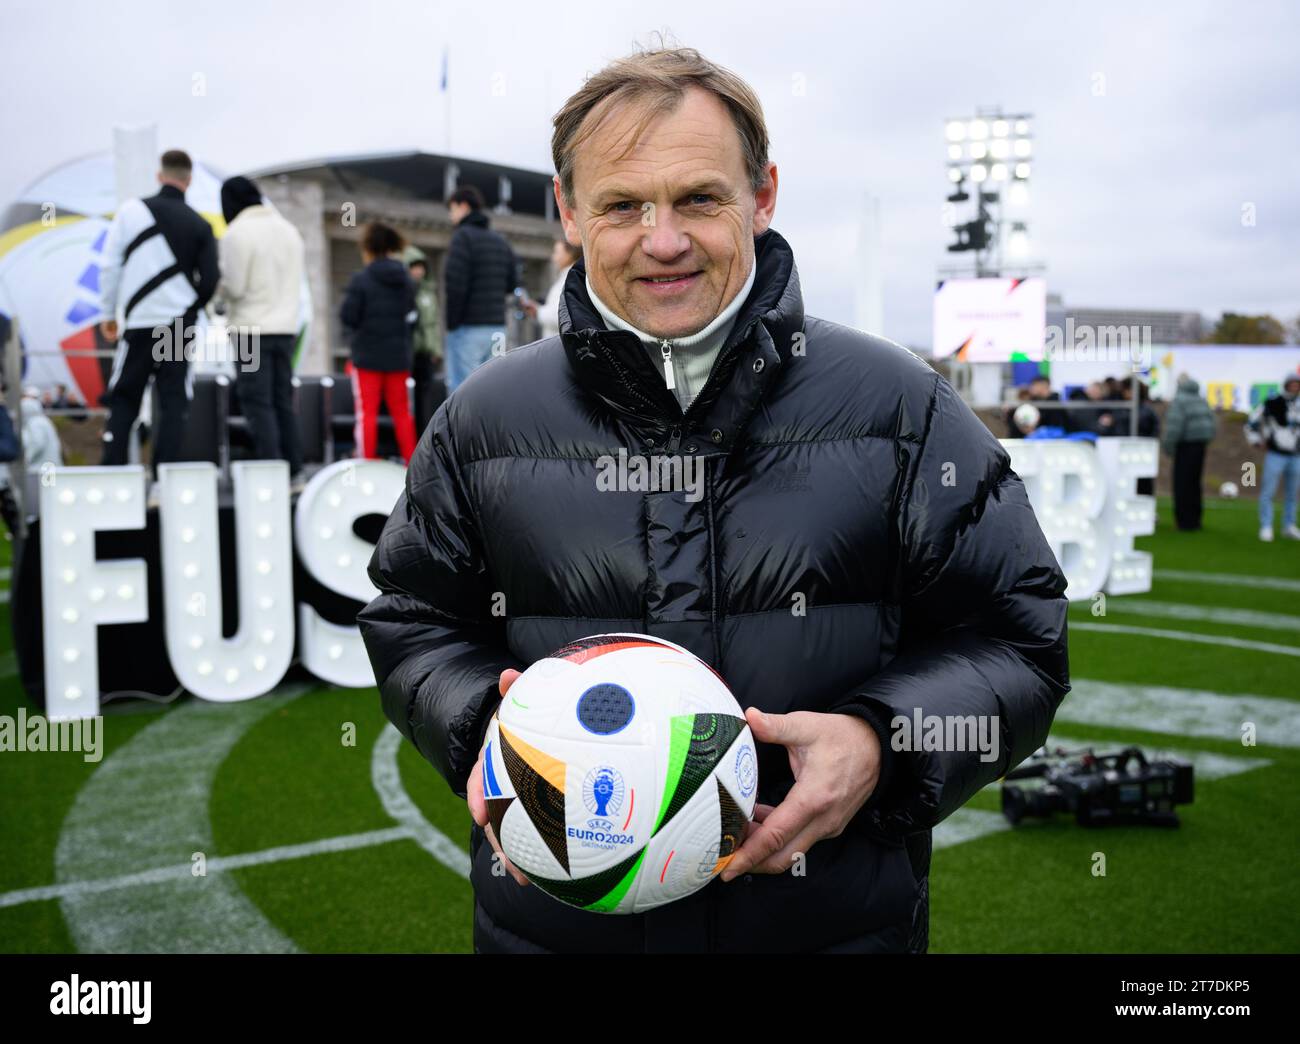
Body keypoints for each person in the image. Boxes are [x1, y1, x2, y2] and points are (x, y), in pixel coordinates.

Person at [357, 46, 1070, 955]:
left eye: (699, 197)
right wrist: (482, 725)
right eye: (622, 205)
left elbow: (1020, 637)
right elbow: (412, 620)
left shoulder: (902, 407)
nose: (663, 240)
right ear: (569, 213)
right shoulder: (483, 421)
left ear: (763, 194)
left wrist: (880, 742)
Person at [98, 149, 219, 469]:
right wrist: (191, 310)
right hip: (177, 326)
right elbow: (210, 280)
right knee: (173, 401)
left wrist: (108, 314)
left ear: (159, 175)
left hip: (140, 322)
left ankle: (113, 469)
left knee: (125, 398)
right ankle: (165, 476)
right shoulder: (200, 225)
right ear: (188, 181)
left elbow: (110, 267)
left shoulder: (131, 212)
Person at [217, 175, 305, 478]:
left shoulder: (237, 233)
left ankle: (271, 470)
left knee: (257, 402)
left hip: (250, 332)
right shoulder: (289, 230)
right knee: (282, 400)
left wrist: (219, 295)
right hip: (285, 330)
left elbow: (236, 287)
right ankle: (294, 470)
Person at [339, 222, 417, 463]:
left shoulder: (361, 280)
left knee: (367, 414)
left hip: (367, 357)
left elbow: (347, 316)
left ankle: (366, 464)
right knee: (402, 413)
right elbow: (413, 317)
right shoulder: (406, 280)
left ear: (368, 249)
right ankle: (412, 465)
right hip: (398, 357)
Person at [442, 185, 531, 392]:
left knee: (462, 393)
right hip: (497, 330)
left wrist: (452, 324)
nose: (450, 215)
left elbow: (455, 284)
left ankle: (464, 427)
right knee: (493, 388)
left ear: (464, 206)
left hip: (467, 329)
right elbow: (512, 283)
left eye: (452, 208)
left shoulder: (462, 238)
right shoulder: (500, 241)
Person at [1246, 373, 1300, 541]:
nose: (1294, 387)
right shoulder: (1271, 402)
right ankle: (1266, 525)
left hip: (1296, 455)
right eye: (1291, 384)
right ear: (1285, 384)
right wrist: (1256, 441)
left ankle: (1289, 525)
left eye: (1296, 384)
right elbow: (1251, 423)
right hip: (1275, 454)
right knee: (1268, 491)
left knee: (1292, 494)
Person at [1160, 374, 1217, 531]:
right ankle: (1195, 520)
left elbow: (1174, 427)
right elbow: (1213, 423)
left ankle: (1183, 522)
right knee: (1195, 483)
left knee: (1182, 484)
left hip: (1184, 447)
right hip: (1200, 446)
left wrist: (1168, 447)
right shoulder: (1202, 401)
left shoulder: (1179, 401)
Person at [402, 245, 443, 437]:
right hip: (408, 351)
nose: (418, 271)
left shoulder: (429, 292)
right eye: (413, 266)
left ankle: (424, 437)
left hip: (425, 352)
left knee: (425, 397)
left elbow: (433, 323)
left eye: (421, 266)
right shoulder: (405, 291)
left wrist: (436, 349)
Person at [536, 237, 583, 339]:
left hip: (559, 341)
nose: (553, 258)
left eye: (556, 252)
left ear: (569, 254)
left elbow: (561, 315)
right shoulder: (570, 276)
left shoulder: (570, 279)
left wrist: (537, 311)